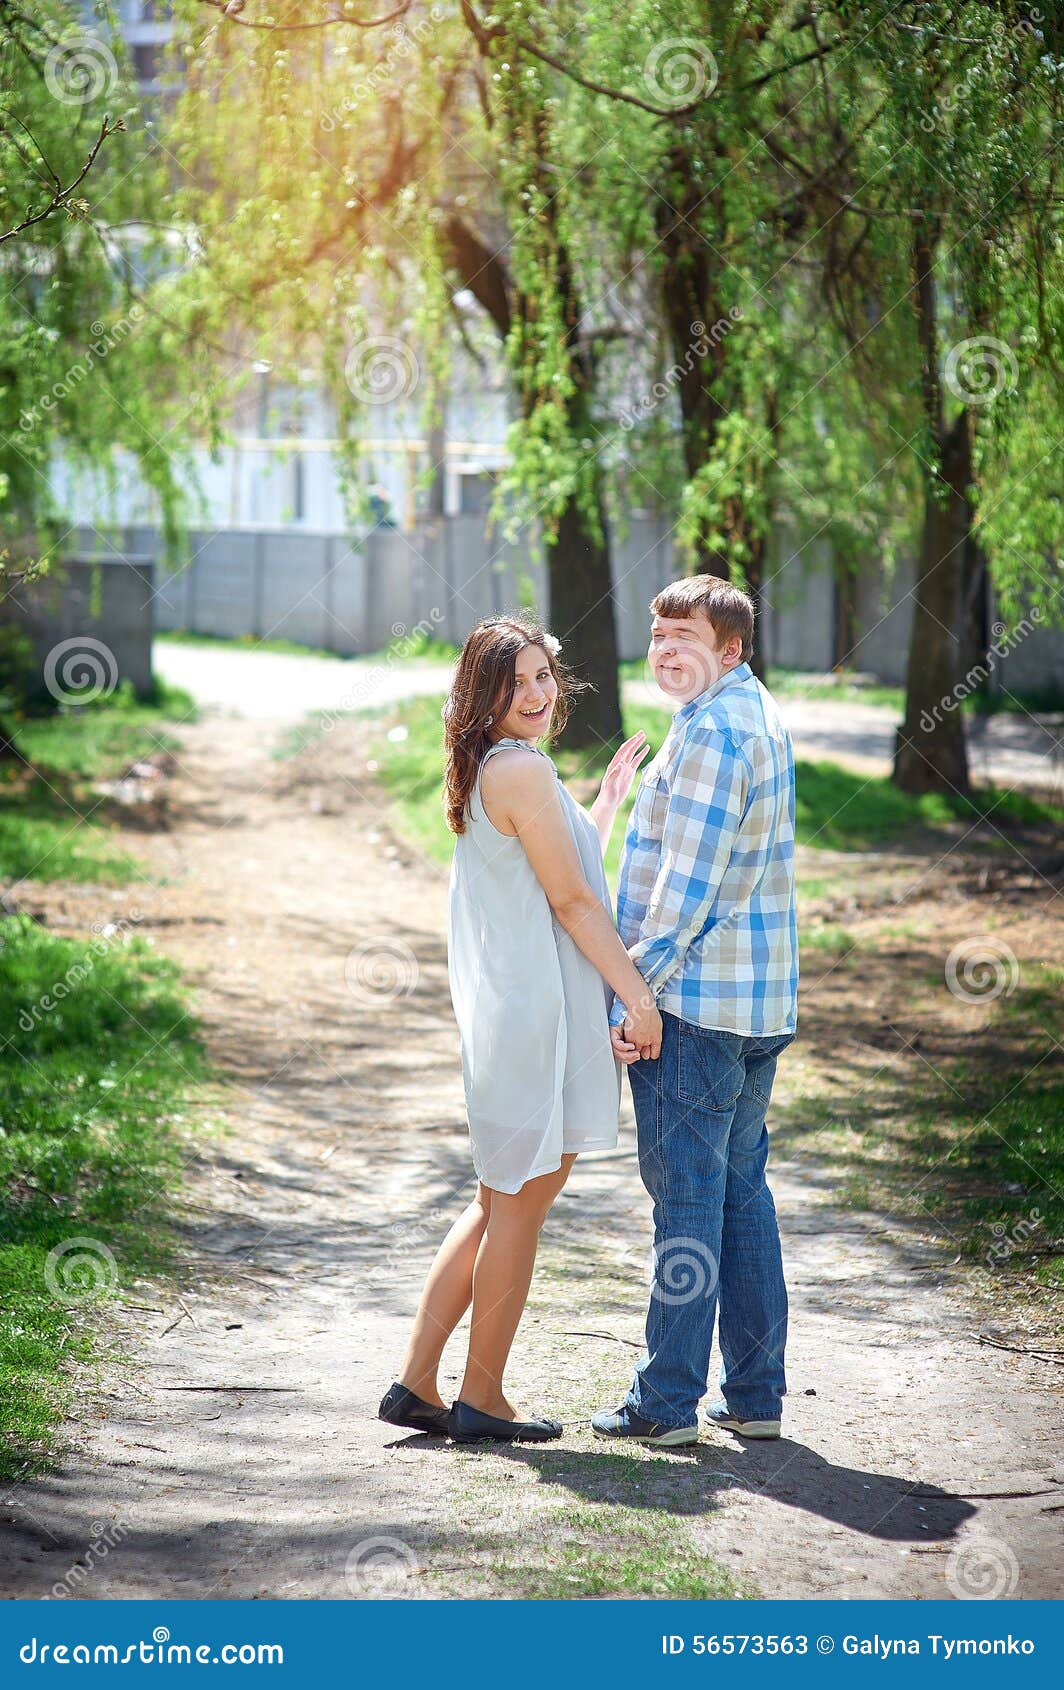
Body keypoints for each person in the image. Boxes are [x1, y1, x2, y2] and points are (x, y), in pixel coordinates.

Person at [379, 613, 661, 1444]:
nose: (537, 693)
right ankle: (483, 1397)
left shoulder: (504, 766)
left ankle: (417, 1385)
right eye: (517, 682)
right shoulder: (519, 772)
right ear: (484, 694)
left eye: (544, 676)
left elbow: (554, 879)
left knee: (498, 1199)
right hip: (536, 1021)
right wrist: (636, 998)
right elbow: (573, 904)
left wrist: (601, 808)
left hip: (520, 1014)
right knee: (520, 1207)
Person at [593, 575, 799, 1449]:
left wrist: (635, 990)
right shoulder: (749, 713)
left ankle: (666, 1400)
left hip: (699, 1004)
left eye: (687, 635)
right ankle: (755, 1397)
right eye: (659, 633)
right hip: (756, 1002)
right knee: (740, 1192)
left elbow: (685, 892)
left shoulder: (715, 733)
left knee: (687, 1198)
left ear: (732, 647)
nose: (668, 648)